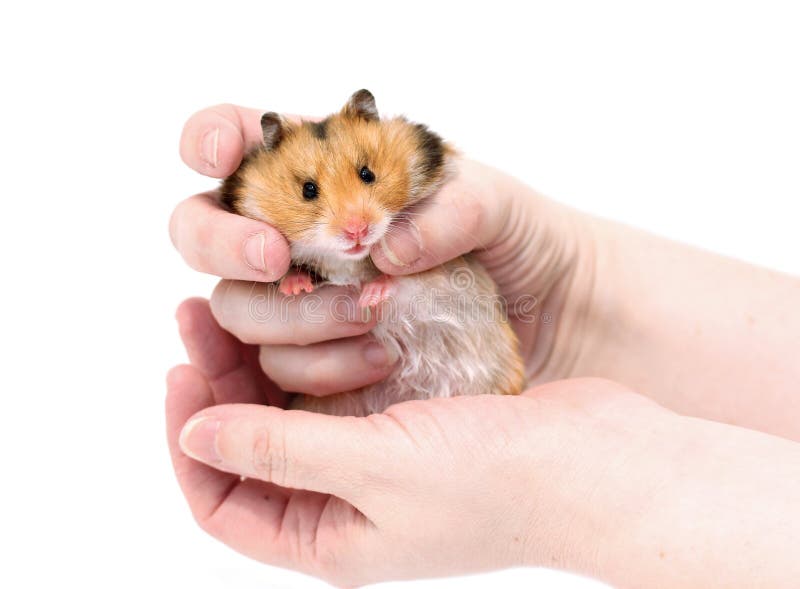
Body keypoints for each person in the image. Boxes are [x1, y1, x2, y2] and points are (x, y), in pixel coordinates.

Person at [167, 104, 800, 587]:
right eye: (310, 192)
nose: (354, 221)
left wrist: (567, 488)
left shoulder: (421, 201)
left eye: (366, 175)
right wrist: (291, 275)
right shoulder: (276, 219)